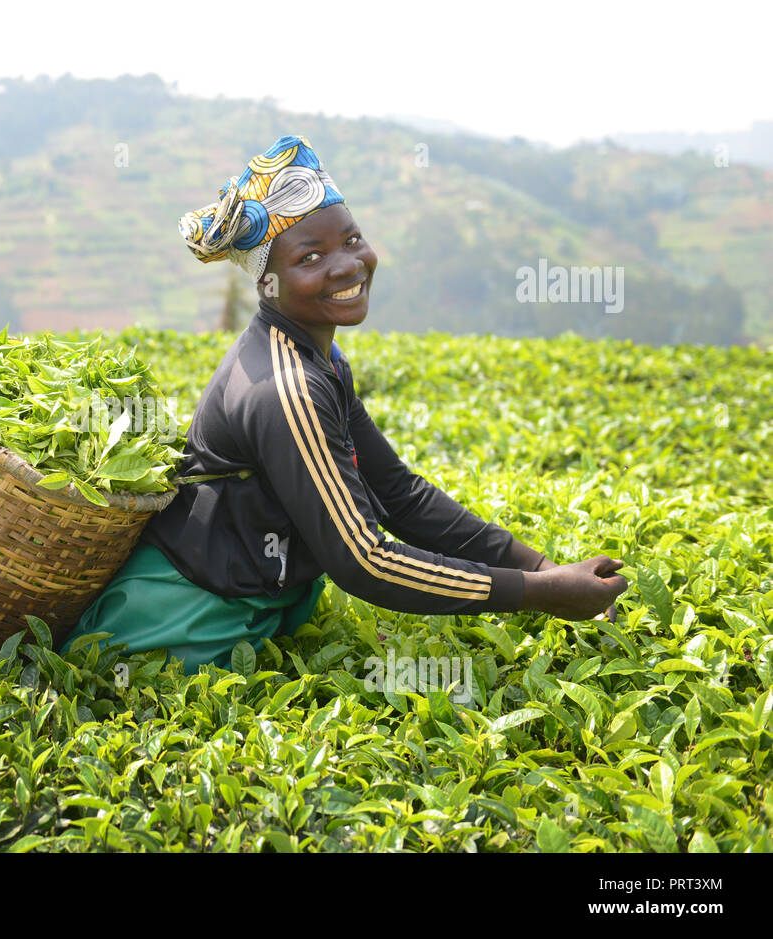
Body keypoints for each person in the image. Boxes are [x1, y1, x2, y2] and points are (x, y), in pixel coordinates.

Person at [58, 135, 627, 673]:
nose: (347, 265)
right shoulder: (288, 388)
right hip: (184, 625)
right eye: (310, 257)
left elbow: (398, 494)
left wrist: (541, 566)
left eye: (351, 240)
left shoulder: (316, 360)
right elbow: (365, 561)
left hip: (257, 601)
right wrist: (542, 594)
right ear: (268, 282)